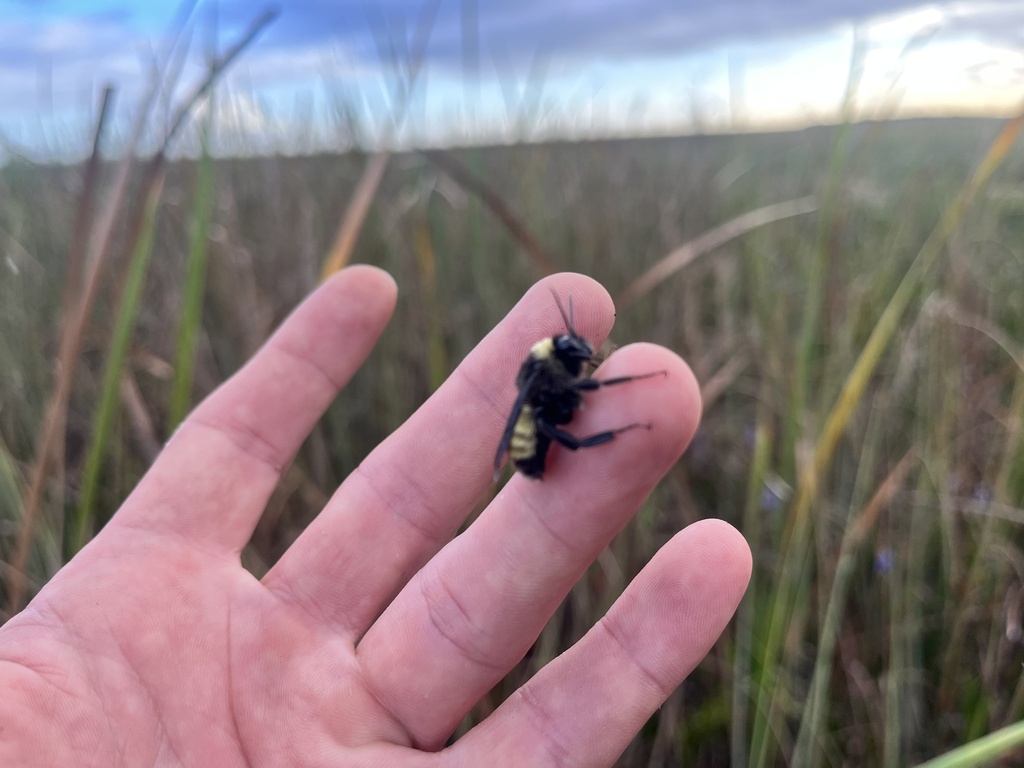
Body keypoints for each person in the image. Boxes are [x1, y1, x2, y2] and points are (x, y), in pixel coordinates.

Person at [0, 266, 751, 766]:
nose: (583, 360)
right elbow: (561, 399)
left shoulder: (549, 371)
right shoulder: (549, 382)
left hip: (532, 442)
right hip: (534, 444)